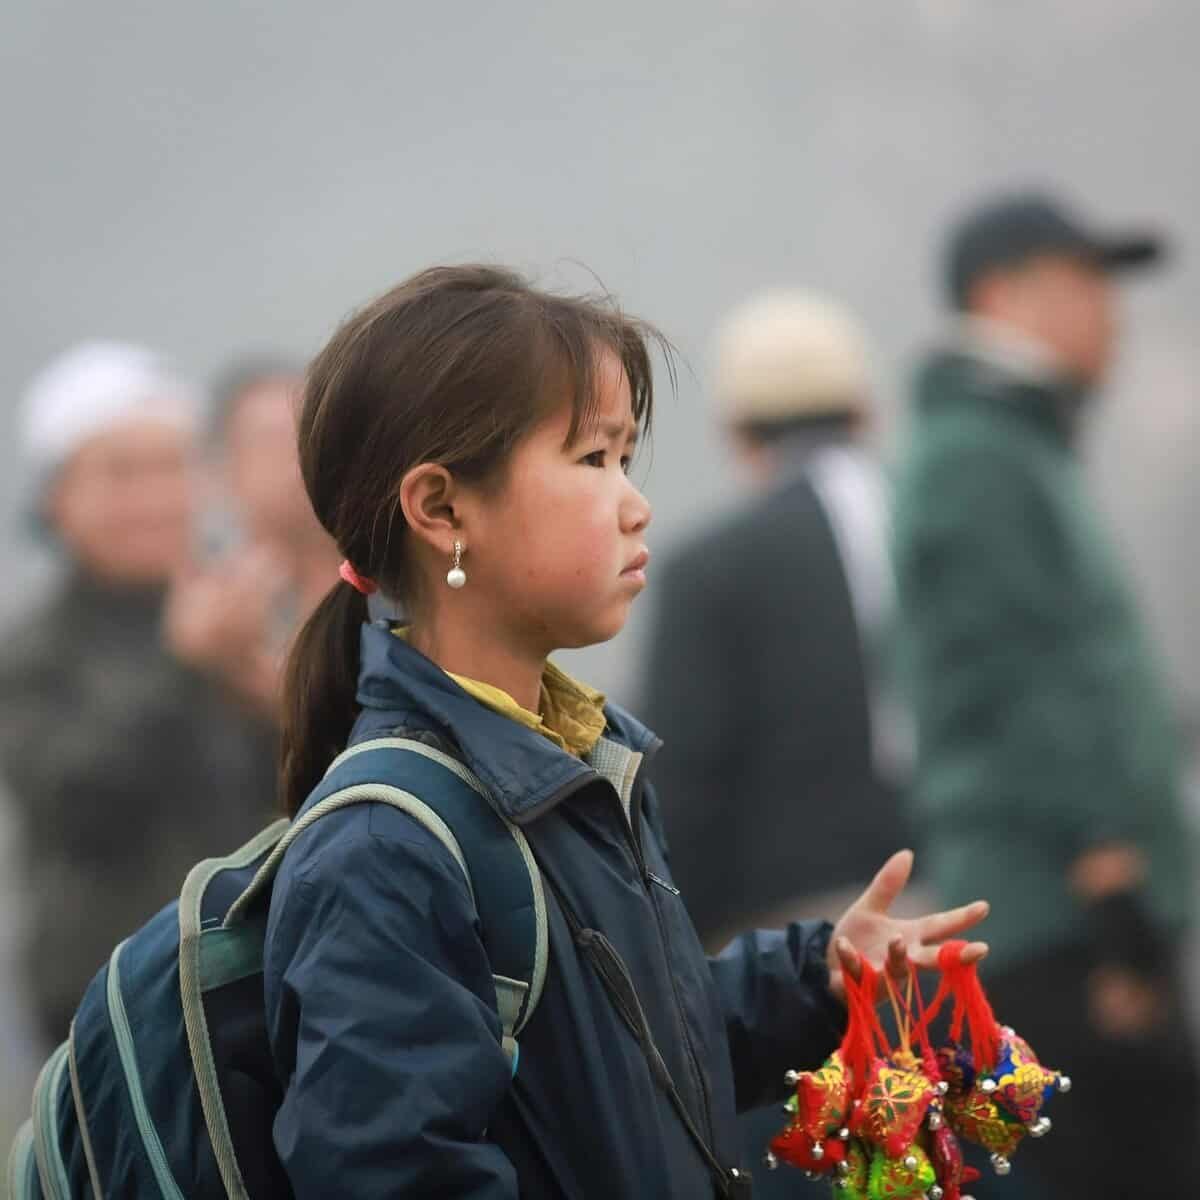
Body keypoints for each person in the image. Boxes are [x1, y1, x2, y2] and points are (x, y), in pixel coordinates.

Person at [262, 264, 989, 1197]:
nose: (634, 503)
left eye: (627, 459)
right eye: (592, 460)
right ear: (442, 509)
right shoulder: (386, 845)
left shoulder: (572, 770)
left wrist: (817, 974)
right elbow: (396, 1173)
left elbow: (622, 1059)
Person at [892, 193, 1199, 1196]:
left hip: (1077, 907)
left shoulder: (1017, 445)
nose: (1110, 312)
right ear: (1000, 296)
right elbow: (1024, 684)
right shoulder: (975, 457)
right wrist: (1112, 886)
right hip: (1057, 918)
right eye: (1085, 283)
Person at [640, 291, 912, 1199]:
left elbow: (686, 795)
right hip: (963, 953)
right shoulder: (939, 529)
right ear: (867, 412)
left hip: (793, 979)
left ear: (736, 433)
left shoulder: (711, 567)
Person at [0, 342, 277, 1047]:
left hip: (258, 978)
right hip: (108, 1006)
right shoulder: (36, 652)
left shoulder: (251, 606)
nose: (154, 500)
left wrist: (281, 701)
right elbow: (74, 801)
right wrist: (181, 665)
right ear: (55, 499)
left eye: (172, 470)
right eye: (122, 475)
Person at [164, 359, 339, 719]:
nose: (300, 456)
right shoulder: (196, 604)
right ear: (220, 471)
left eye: (315, 431)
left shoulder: (405, 585)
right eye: (273, 441)